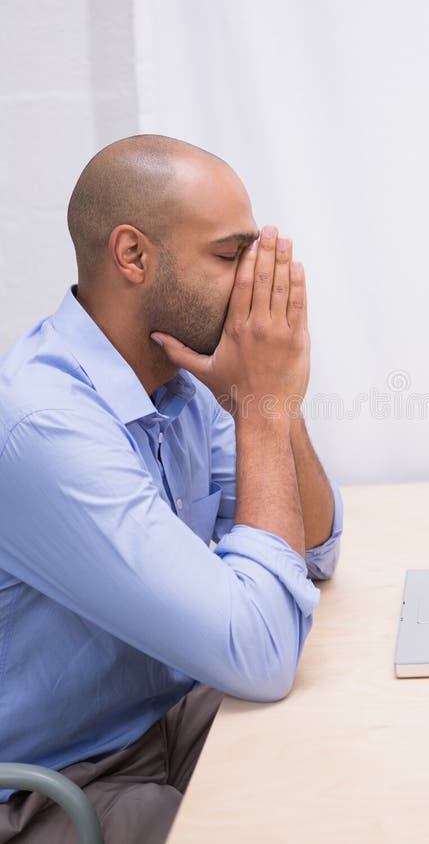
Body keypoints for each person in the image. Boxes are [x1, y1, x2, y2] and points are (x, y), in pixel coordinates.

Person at [0, 135, 343, 843]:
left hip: (166, 717)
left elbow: (312, 549)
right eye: (230, 256)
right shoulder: (45, 427)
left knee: (351, 732)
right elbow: (261, 651)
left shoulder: (175, 383)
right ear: (133, 256)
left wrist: (277, 400)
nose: (253, 285)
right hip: (58, 782)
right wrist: (262, 407)